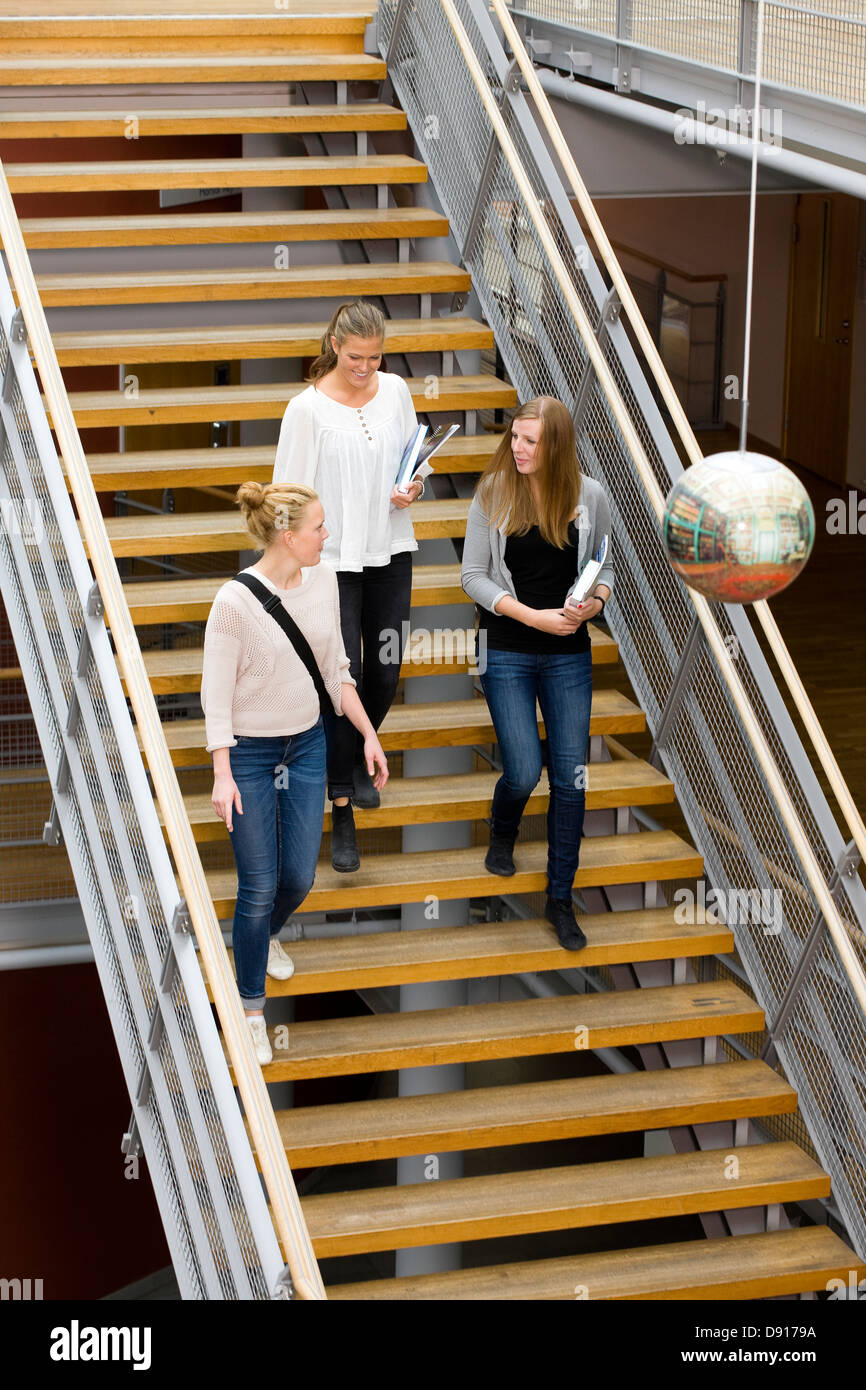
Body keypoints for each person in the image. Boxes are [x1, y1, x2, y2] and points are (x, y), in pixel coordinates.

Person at [202, 481, 389, 1063]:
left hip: (306, 744)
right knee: (258, 885)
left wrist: (368, 733)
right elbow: (216, 696)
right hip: (252, 755)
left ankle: (267, 935)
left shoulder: (325, 580)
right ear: (288, 536)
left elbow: (336, 669)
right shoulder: (232, 604)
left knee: (300, 880)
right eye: (318, 528)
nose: (325, 537)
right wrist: (222, 773)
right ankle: (250, 1008)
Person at [272, 299, 424, 873]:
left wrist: (410, 488)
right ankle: (342, 807)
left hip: (388, 547)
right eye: (356, 357)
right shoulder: (305, 410)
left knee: (385, 671)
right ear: (335, 346)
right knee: (345, 679)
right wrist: (293, 568)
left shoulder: (398, 392)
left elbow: (412, 463)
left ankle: (361, 755)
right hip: (331, 560)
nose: (365, 368)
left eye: (375, 357)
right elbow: (287, 493)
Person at [461, 397, 614, 950]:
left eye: (530, 441)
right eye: (515, 438)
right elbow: (473, 577)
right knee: (524, 771)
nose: (518, 449)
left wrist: (593, 603)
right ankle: (502, 832)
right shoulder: (494, 492)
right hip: (508, 648)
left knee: (570, 779)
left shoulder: (589, 495)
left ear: (557, 446)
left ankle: (558, 897)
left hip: (569, 654)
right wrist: (531, 617)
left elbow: (604, 567)